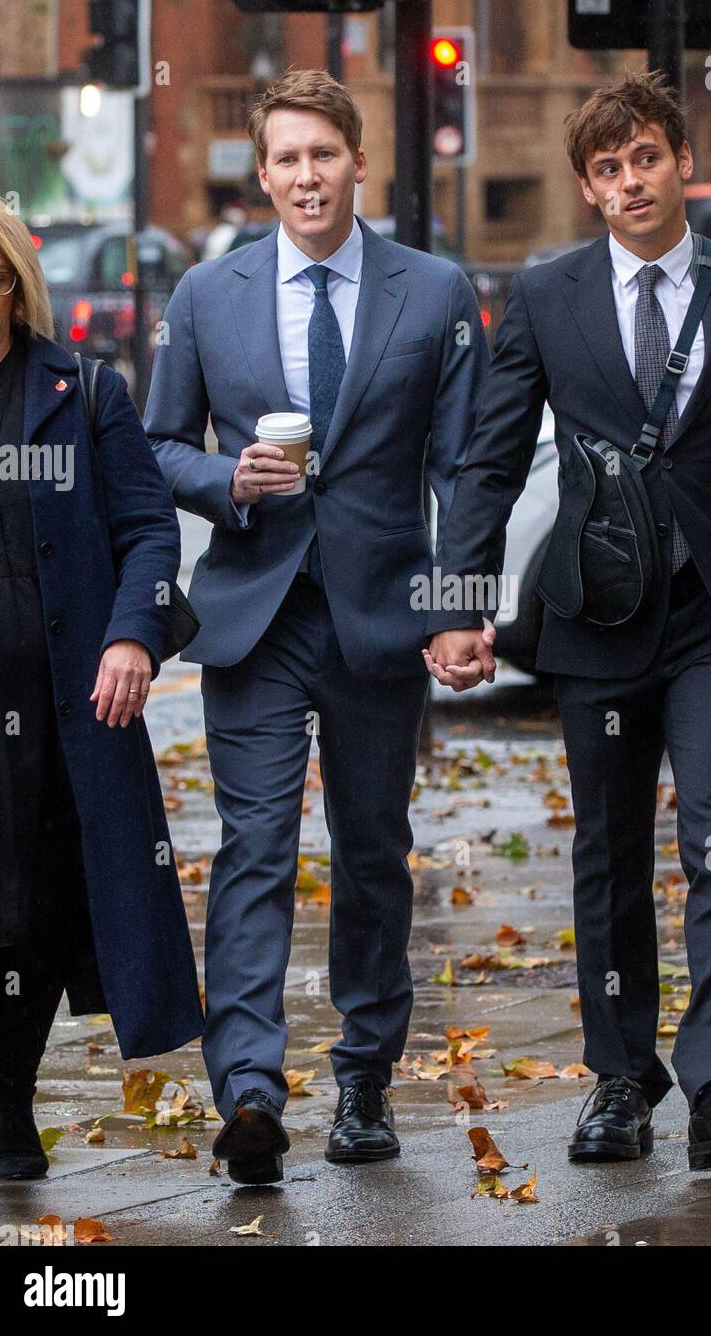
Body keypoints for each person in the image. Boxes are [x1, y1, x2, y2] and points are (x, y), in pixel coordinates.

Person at [424, 71, 711, 1171]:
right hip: (598, 615)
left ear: (679, 162)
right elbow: (489, 458)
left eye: (643, 157)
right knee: (606, 860)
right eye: (605, 170)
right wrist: (460, 603)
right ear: (586, 189)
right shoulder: (547, 295)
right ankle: (619, 1083)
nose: (628, 181)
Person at [144, 68, 488, 1183]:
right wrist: (227, 480)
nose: (306, 176)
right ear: (263, 174)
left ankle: (364, 1083)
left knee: (373, 851)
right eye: (285, 158)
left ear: (357, 161)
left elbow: (462, 467)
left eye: (323, 154)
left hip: (381, 618)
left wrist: (453, 607)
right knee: (252, 846)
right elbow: (153, 448)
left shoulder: (433, 291)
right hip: (255, 612)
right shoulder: (207, 294)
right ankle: (247, 1088)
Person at [0, 190, 203, 1215]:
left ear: (19, 281)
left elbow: (151, 530)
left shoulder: (83, 389)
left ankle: (11, 1102)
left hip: (64, 695)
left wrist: (130, 634)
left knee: (36, 903)